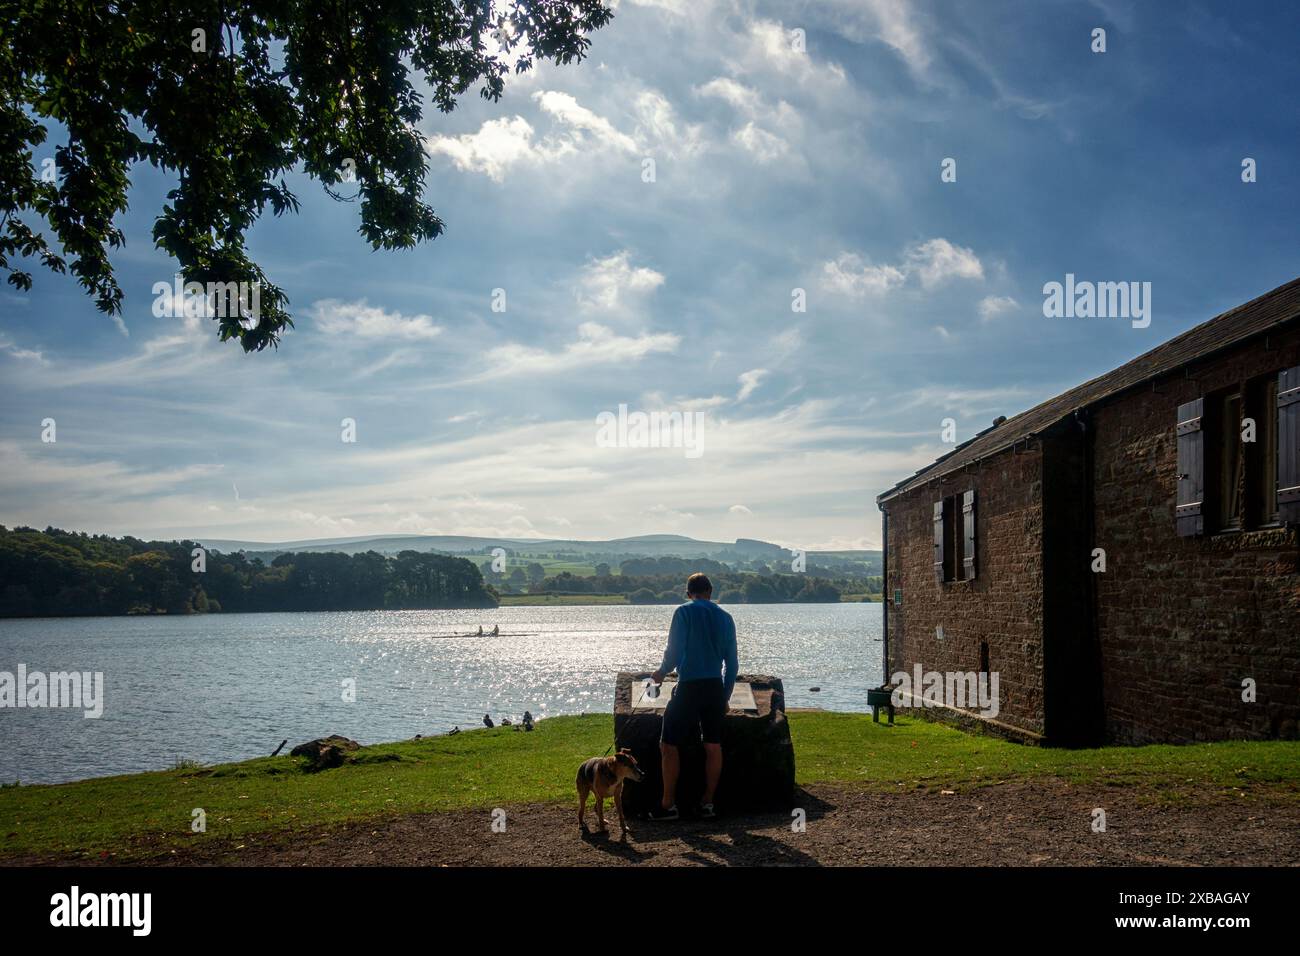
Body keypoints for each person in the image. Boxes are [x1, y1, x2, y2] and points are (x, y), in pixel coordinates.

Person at [648, 572, 737, 821]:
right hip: (714, 688)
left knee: (668, 743)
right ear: (711, 592)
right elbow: (732, 663)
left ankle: (667, 805)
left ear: (688, 593)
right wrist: (725, 695)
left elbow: (674, 651)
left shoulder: (683, 612)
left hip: (688, 686)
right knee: (713, 744)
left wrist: (662, 672)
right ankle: (707, 803)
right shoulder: (726, 617)